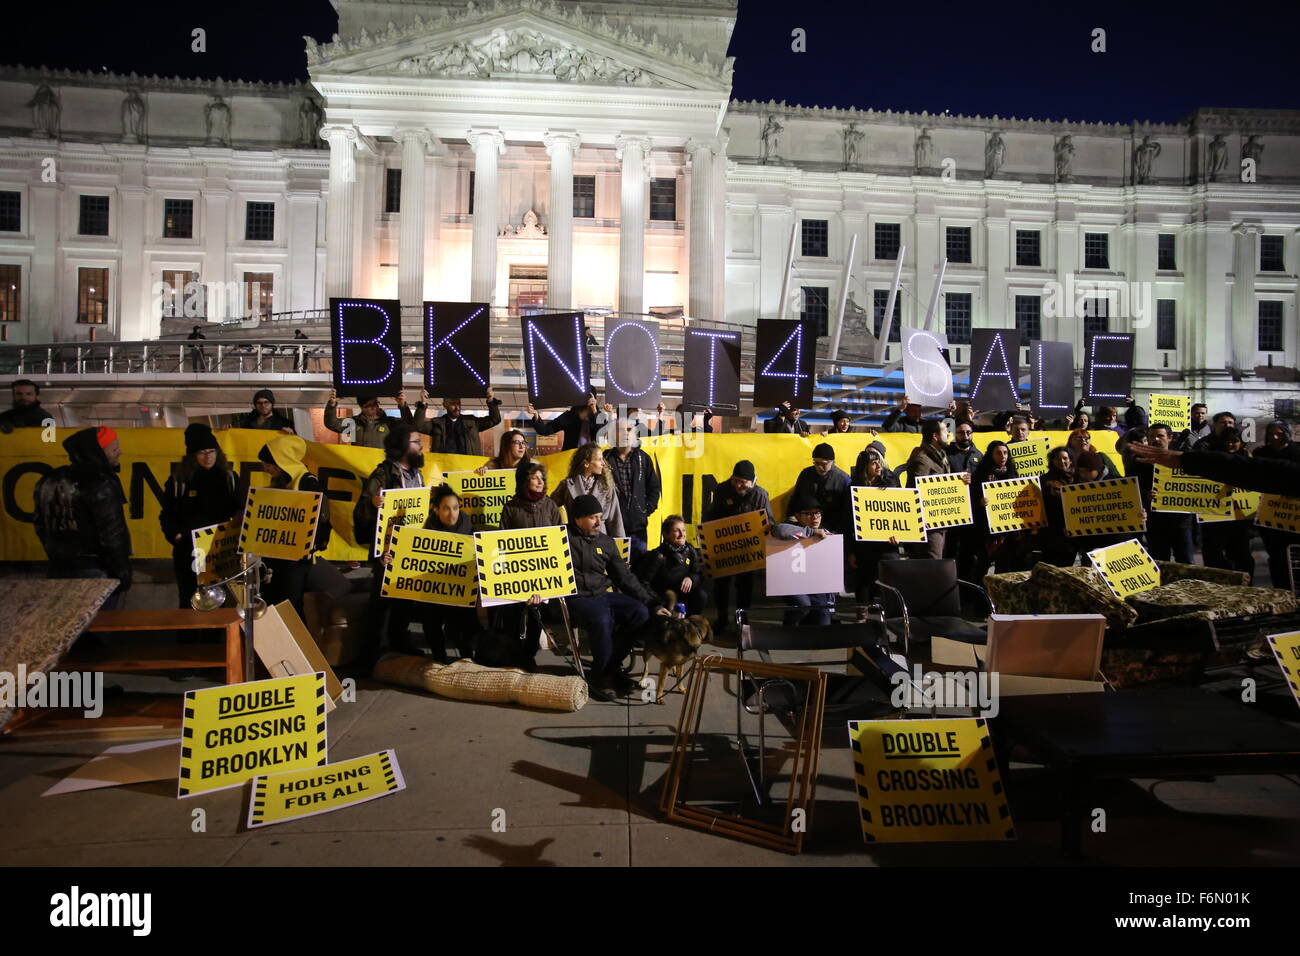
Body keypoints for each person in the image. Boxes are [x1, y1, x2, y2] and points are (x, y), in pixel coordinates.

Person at [565, 494, 670, 701]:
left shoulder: (605, 542)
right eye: (593, 517)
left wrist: (653, 604)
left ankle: (608, 665)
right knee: (601, 619)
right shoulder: (562, 540)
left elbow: (625, 578)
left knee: (640, 613)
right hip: (578, 598)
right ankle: (603, 678)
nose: (599, 522)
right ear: (578, 519)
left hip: (602, 594)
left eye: (600, 516)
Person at [354, 424, 432, 661]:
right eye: (416, 442)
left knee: (405, 601)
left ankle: (399, 642)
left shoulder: (417, 474)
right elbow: (362, 510)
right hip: (386, 550)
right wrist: (373, 504)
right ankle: (368, 654)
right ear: (401, 447)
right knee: (380, 603)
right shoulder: (383, 474)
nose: (421, 446)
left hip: (410, 547)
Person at [32, 427, 132, 609]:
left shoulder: (49, 479)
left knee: (65, 628)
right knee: (98, 629)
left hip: (57, 568)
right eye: (114, 449)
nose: (120, 452)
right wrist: (123, 572)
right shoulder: (101, 484)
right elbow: (112, 534)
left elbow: (40, 524)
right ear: (97, 452)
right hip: (97, 570)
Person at [381, 484, 478, 662]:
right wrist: (389, 559)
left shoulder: (467, 525)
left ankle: (468, 659)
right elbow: (408, 553)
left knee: (461, 628)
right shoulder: (425, 528)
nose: (452, 514)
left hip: (458, 591)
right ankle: (439, 659)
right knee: (431, 623)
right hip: (432, 589)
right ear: (436, 510)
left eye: (455, 508)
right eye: (446, 509)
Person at [159, 424, 241, 610]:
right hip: (189, 550)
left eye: (212, 451)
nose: (208, 457)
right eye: (202, 452)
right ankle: (190, 638)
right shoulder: (179, 481)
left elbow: (239, 508)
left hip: (218, 550)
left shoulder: (229, 478)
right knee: (189, 600)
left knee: (219, 601)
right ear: (192, 455)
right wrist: (176, 536)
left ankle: (220, 639)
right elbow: (167, 514)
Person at [497, 461, 565, 668]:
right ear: (524, 480)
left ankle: (528, 655)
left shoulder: (551, 506)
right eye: (534, 477)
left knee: (538, 616)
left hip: (542, 574)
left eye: (541, 478)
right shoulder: (510, 508)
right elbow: (501, 542)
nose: (539, 481)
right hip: (517, 574)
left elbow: (558, 537)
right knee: (513, 616)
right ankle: (513, 654)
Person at [257, 434, 332, 618]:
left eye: (269, 464)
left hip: (296, 558)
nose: (266, 469)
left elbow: (322, 518)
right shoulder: (279, 482)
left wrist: (313, 544)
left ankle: (299, 644)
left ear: (282, 462)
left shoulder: (308, 482)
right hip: (273, 555)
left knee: (290, 604)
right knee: (271, 601)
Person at [705, 459, 775, 632]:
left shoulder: (760, 495)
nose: (738, 486)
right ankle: (722, 617)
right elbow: (711, 515)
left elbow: (770, 521)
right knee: (721, 584)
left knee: (745, 585)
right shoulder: (722, 490)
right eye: (735, 481)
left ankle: (742, 618)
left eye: (743, 482)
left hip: (747, 550)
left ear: (753, 481)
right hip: (724, 547)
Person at [1126, 423, 1194, 563]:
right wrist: (1146, 494)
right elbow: (1130, 488)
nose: (1155, 439)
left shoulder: (1183, 460)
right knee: (1159, 563)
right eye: (1151, 436)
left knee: (1186, 562)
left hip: (1180, 521)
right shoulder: (1138, 461)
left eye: (1160, 436)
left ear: (1170, 438)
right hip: (1155, 523)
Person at [904, 419, 972, 559]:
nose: (949, 434)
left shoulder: (939, 455)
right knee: (932, 566)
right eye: (945, 431)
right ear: (935, 436)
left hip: (940, 523)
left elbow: (942, 483)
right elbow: (914, 491)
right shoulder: (922, 459)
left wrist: (960, 482)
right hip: (929, 526)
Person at [771, 494, 837, 627]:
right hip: (791, 582)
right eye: (809, 514)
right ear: (798, 516)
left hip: (815, 583)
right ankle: (789, 627)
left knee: (823, 620)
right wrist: (811, 533)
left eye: (818, 513)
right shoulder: (790, 526)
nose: (815, 517)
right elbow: (779, 530)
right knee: (803, 604)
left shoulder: (827, 530)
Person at [848, 444, 902, 601]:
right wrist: (850, 551)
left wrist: (901, 536)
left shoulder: (890, 485)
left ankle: (891, 611)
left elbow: (902, 513)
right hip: (864, 545)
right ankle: (862, 613)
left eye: (879, 462)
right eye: (874, 463)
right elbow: (848, 521)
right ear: (865, 467)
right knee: (864, 579)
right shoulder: (853, 488)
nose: (879, 466)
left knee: (890, 577)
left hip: (887, 543)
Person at [964, 441, 1025, 580]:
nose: (1002, 456)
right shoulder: (980, 475)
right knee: (982, 567)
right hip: (985, 530)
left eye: (1005, 453)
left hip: (1007, 531)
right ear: (991, 455)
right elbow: (970, 498)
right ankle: (979, 597)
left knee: (1004, 567)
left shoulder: (1013, 474)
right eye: (998, 453)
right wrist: (979, 502)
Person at [1198, 428, 1254, 577]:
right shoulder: (1211, 458)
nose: (1230, 444)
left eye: (1234, 441)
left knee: (1242, 553)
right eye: (1226, 441)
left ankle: (1246, 585)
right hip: (1215, 517)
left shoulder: (1249, 461)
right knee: (1213, 553)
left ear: (1241, 443)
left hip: (1240, 518)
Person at [1253, 420, 1300, 587]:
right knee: (1276, 555)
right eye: (1271, 433)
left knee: (1295, 554)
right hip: (1270, 514)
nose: (1274, 437)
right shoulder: (1261, 453)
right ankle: (1281, 590)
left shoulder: (1297, 452)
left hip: (1294, 514)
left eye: (1279, 433)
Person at [603, 421, 660, 556]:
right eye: (620, 430)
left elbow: (654, 487)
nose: (625, 433)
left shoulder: (643, 458)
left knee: (640, 567)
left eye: (629, 429)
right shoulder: (604, 458)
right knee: (616, 569)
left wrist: (644, 509)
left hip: (638, 527)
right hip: (612, 526)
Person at [637, 514, 707, 616]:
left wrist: (691, 578)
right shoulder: (658, 555)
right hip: (663, 598)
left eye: (683, 530)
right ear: (666, 534)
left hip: (684, 596)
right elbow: (644, 583)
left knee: (701, 596)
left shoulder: (689, 550)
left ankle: (689, 625)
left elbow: (698, 573)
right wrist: (657, 602)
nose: (682, 534)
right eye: (676, 531)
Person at [553, 443, 625, 537]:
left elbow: (615, 520)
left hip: (600, 540)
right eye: (599, 460)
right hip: (576, 540)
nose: (603, 463)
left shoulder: (607, 486)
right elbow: (550, 507)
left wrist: (620, 547)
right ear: (586, 463)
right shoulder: (567, 485)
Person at [413, 386, 502, 456]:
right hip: (444, 470)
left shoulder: (472, 421)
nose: (457, 407)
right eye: (453, 404)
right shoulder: (437, 423)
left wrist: (490, 401)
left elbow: (495, 419)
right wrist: (423, 403)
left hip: (469, 470)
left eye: (458, 403)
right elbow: (418, 426)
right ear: (444, 405)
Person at [792, 442, 852, 536]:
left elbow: (847, 512)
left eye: (824, 464)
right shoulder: (805, 474)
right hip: (806, 527)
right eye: (816, 463)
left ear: (832, 461)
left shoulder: (843, 480)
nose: (820, 467)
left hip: (833, 529)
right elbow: (795, 499)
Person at [325, 389, 412, 449]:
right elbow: (331, 423)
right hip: (359, 469)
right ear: (362, 408)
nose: (373, 407)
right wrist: (332, 405)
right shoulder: (353, 423)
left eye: (375, 403)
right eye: (369, 406)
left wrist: (403, 405)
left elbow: (409, 425)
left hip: (381, 470)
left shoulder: (389, 423)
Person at [1038, 446, 1077, 566]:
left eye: (1065, 458)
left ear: (1070, 460)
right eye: (1057, 459)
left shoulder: (1078, 479)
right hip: (1052, 533)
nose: (1062, 462)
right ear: (1052, 461)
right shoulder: (1043, 480)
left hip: (1073, 534)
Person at [527, 393, 606, 450]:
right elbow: (545, 430)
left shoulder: (598, 416)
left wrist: (594, 410)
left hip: (593, 461)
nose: (589, 401)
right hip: (570, 461)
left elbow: (603, 433)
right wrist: (536, 414)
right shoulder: (569, 417)